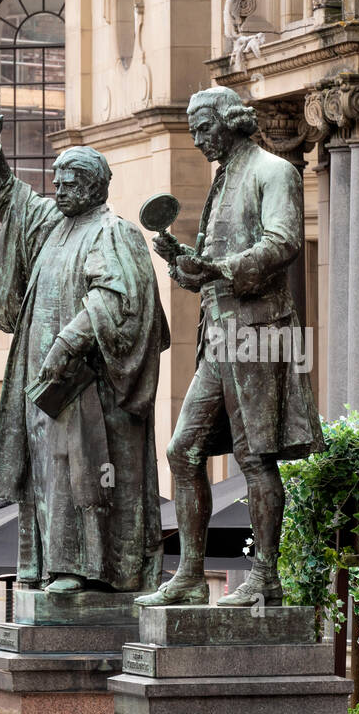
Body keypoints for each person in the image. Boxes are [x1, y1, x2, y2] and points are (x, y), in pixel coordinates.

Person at [0, 92, 168, 594]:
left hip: (85, 387)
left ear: (94, 186)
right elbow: (7, 198)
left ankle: (83, 570)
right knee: (45, 476)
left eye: (69, 182)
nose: (57, 189)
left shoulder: (113, 232)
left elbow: (116, 299)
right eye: (55, 181)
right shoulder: (52, 225)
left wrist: (69, 343)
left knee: (80, 474)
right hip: (43, 386)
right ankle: (51, 564)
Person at [137, 86, 324, 610]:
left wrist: (219, 268)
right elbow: (214, 266)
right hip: (220, 338)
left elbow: (284, 241)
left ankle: (265, 576)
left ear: (232, 121)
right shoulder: (222, 178)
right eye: (193, 130)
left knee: (256, 457)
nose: (197, 140)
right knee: (182, 449)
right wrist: (187, 264)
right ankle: (191, 575)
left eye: (203, 128)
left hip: (259, 332)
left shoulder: (273, 170)